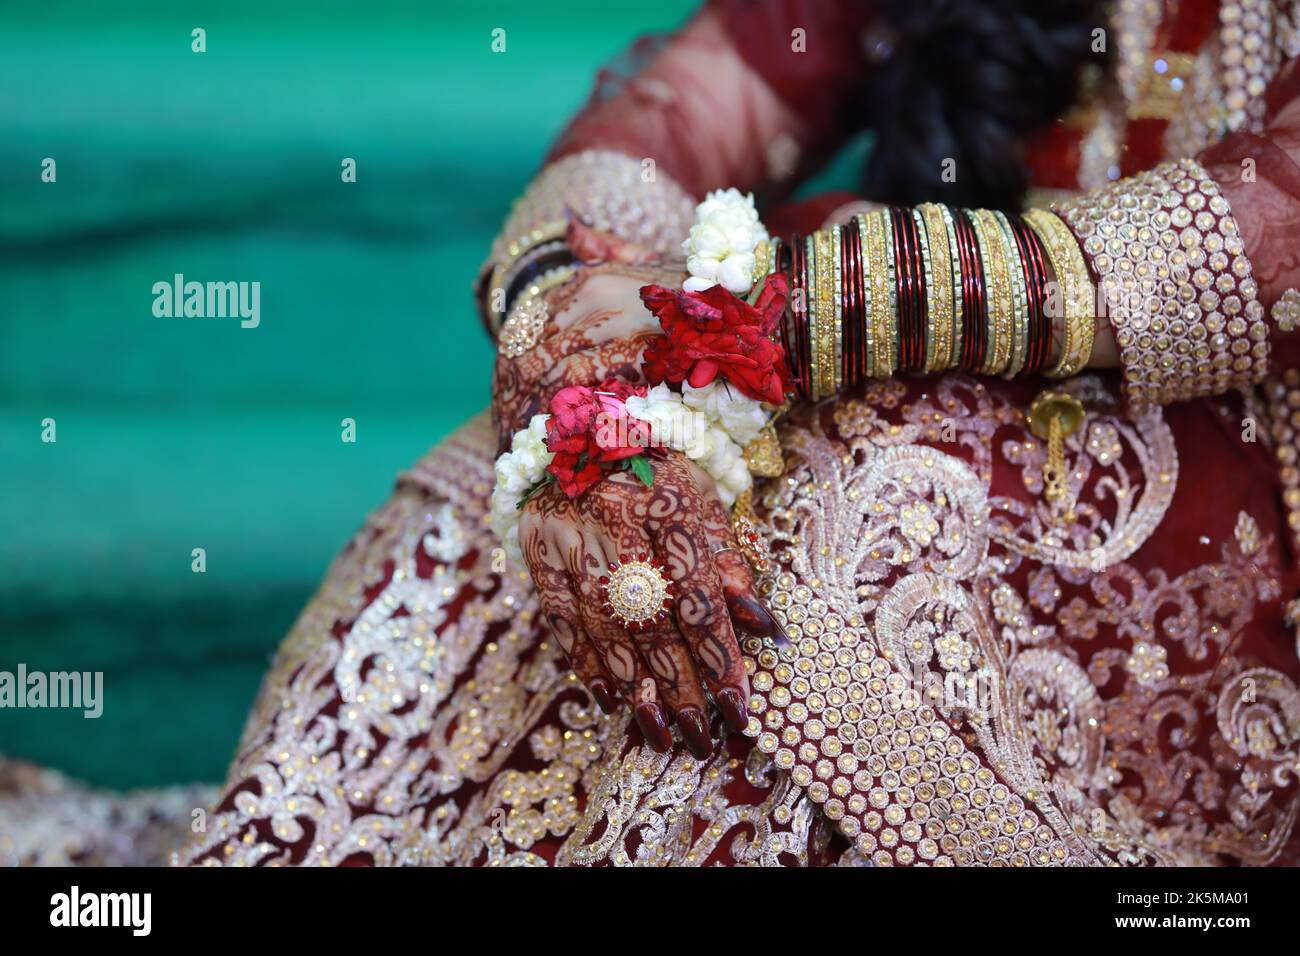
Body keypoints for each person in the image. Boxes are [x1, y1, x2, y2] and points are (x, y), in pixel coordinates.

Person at [29, 0, 1297, 867]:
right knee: (559, 475)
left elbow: (1256, 241)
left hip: (1245, 473)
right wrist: (573, 352)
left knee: (859, 501)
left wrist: (779, 314)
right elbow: (700, 96)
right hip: (940, 375)